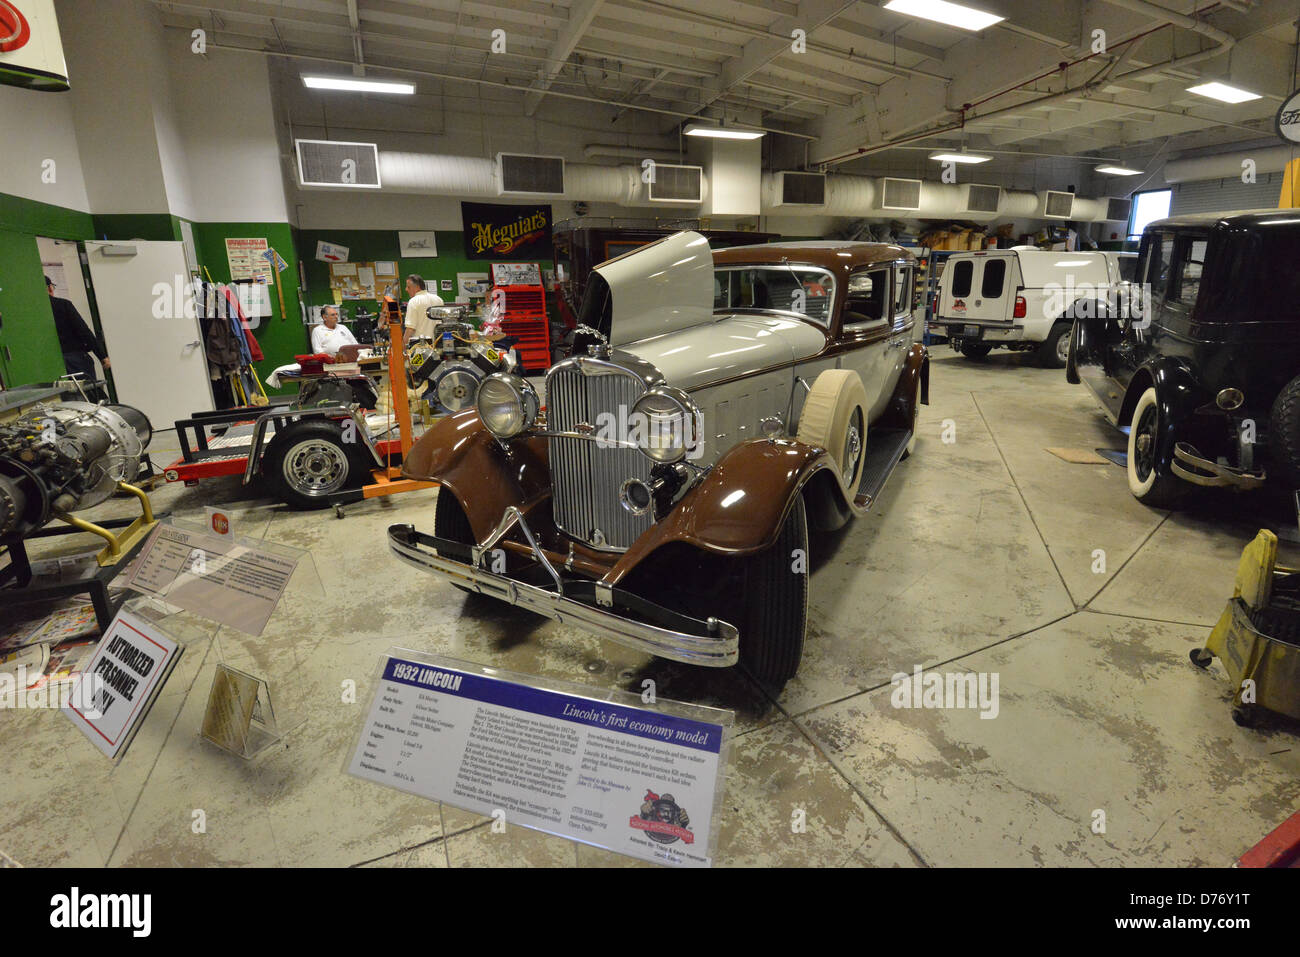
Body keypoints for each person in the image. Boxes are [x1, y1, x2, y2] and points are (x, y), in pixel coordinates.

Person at [46, 276, 109, 401]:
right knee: (90, 397)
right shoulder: (63, 305)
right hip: (76, 359)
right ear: (49, 288)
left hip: (51, 363)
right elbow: (83, 331)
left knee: (68, 400)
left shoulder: (31, 313)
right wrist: (102, 356)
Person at [403, 274, 444, 341]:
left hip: (420, 347)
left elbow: (410, 329)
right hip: (437, 345)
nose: (406, 289)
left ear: (417, 287)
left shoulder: (413, 301)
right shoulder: (439, 299)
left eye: (408, 287)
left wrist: (403, 348)